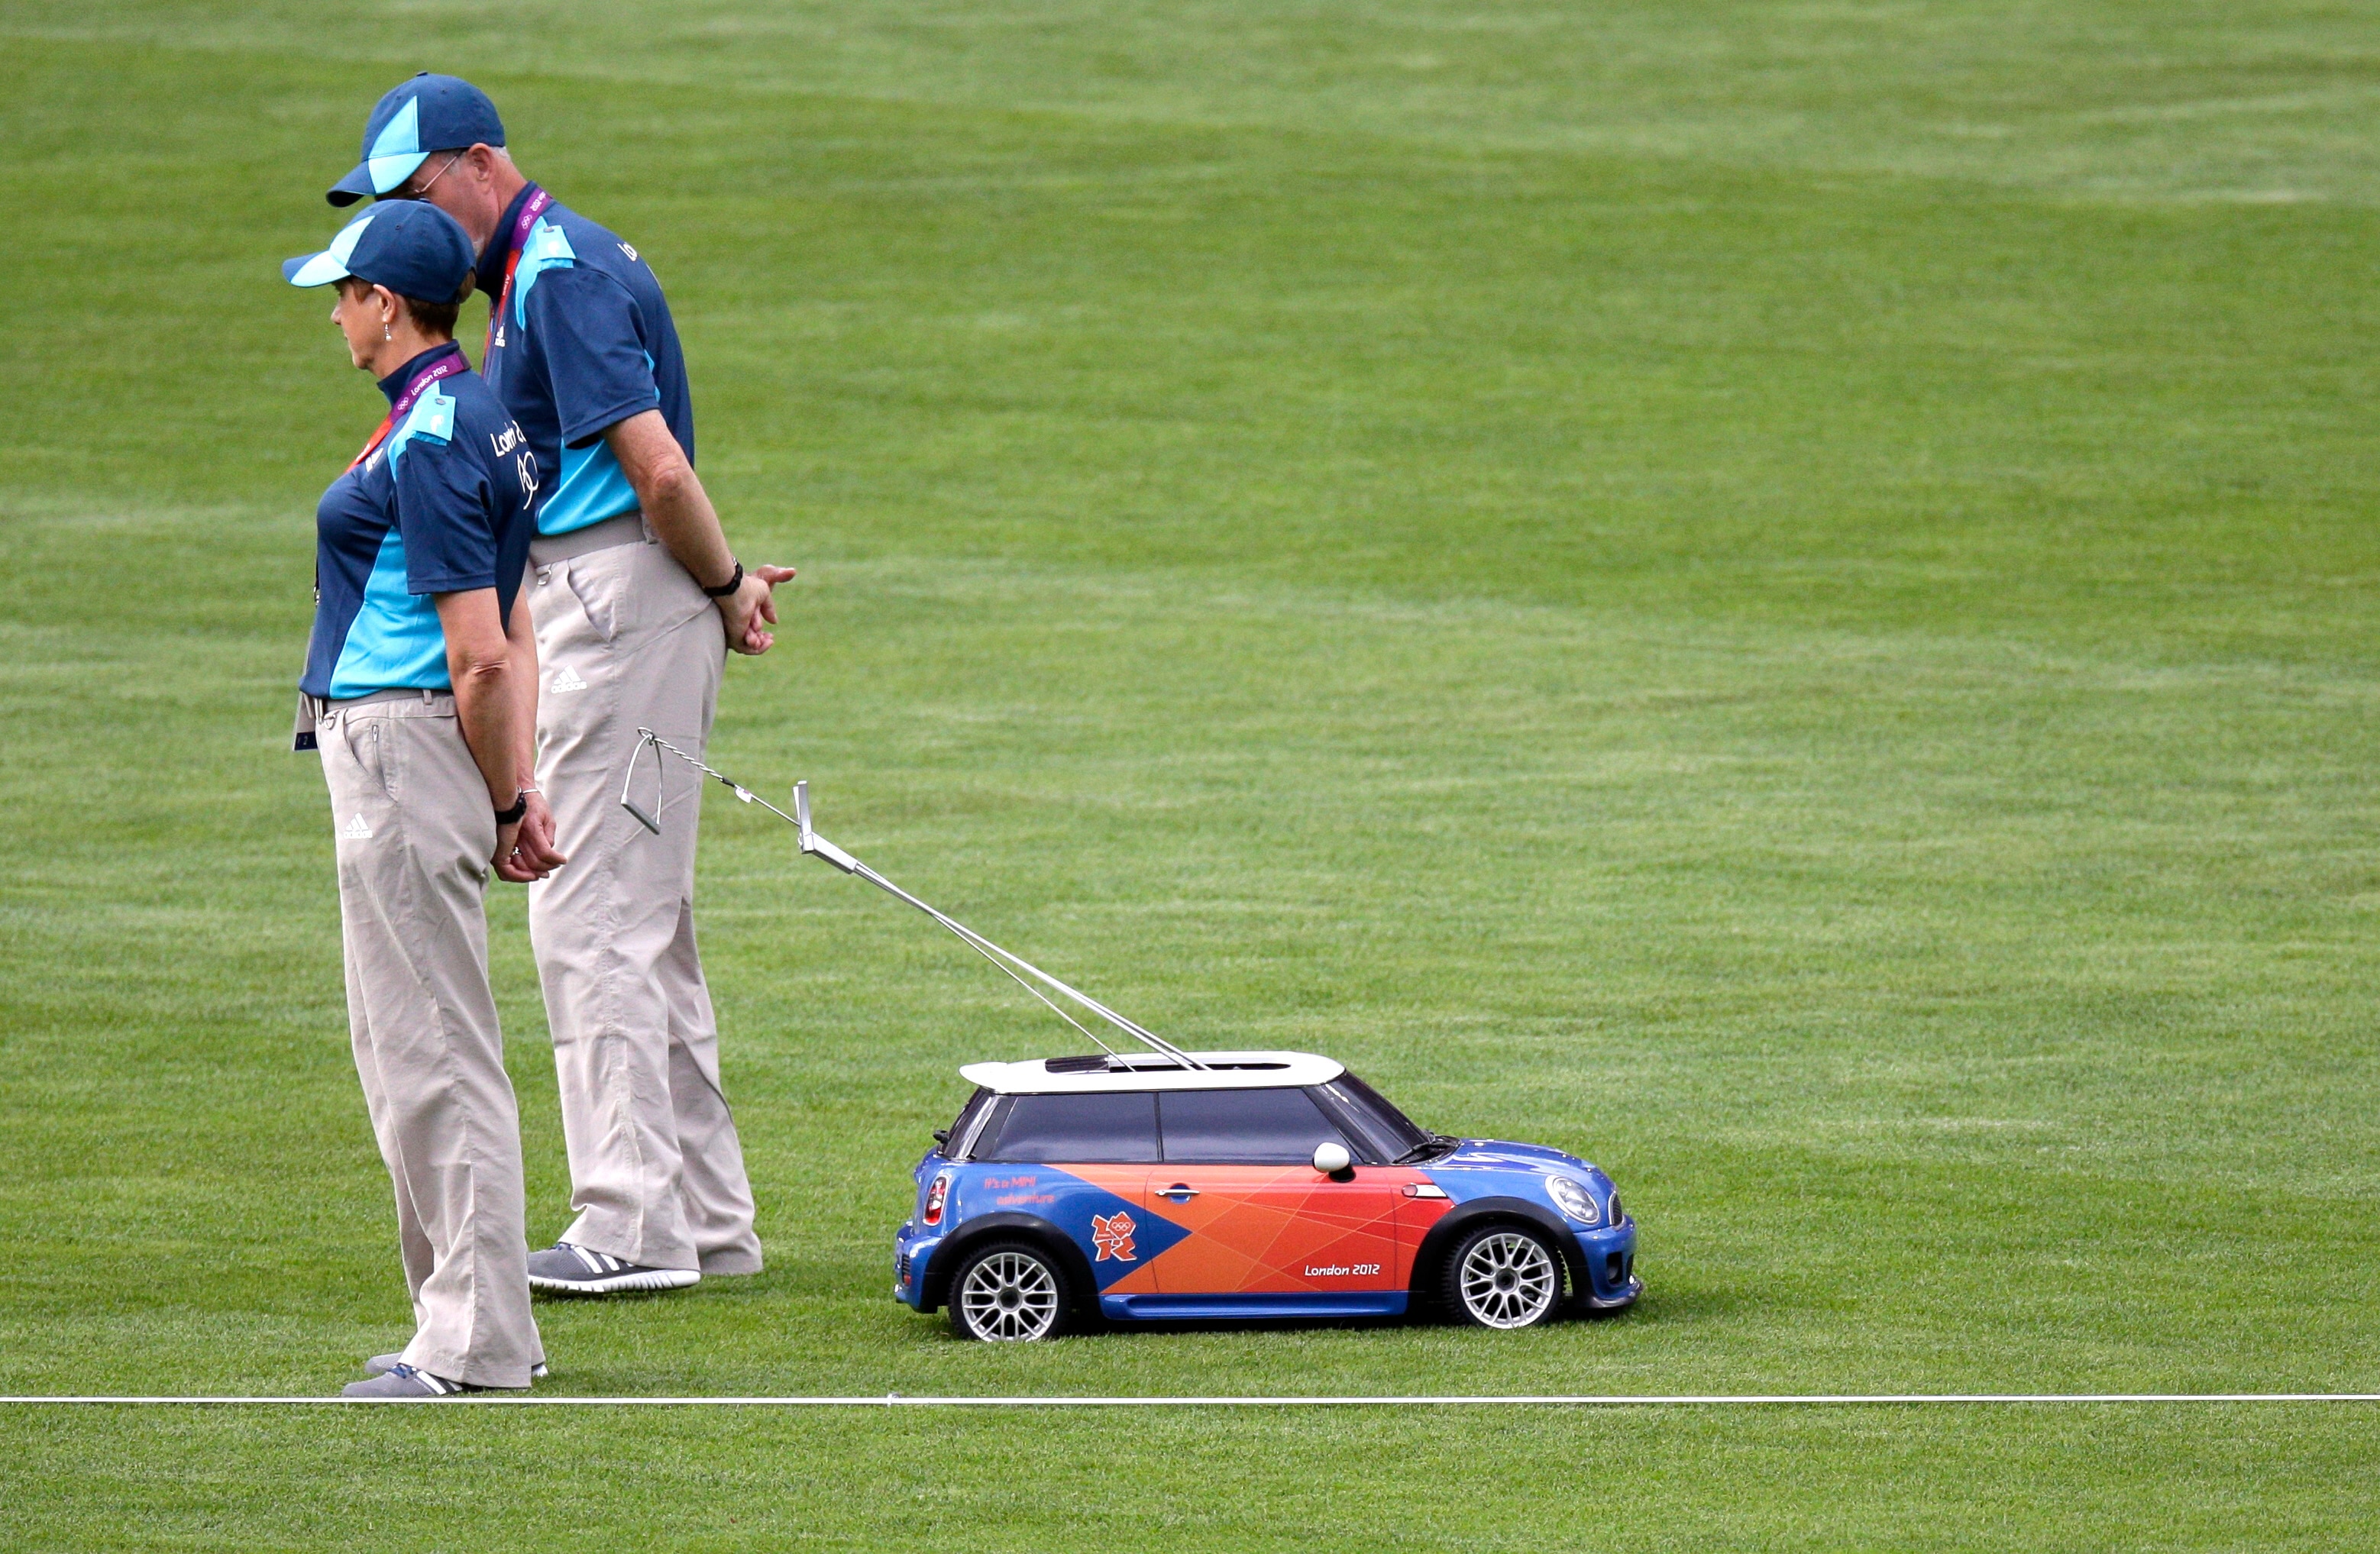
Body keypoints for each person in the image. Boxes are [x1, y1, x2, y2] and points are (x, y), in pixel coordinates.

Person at [328, 75, 791, 1295]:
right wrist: (713, 582)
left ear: (480, 163)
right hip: (620, 595)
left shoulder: (557, 279)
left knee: (591, 915)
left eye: (418, 193)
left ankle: (632, 1226)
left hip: (613, 602)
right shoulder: (543, 267)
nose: (412, 223)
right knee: (647, 919)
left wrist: (729, 579)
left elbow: (661, 470)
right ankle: (705, 1219)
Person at [285, 199, 556, 1395]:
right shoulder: (468, 413)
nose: (336, 315)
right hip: (416, 753)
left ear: (386, 306)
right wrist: (517, 787)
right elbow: (517, 630)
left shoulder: (437, 431)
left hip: (405, 753)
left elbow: (484, 652)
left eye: (343, 295)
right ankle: (463, 1321)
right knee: (413, 1051)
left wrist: (508, 805)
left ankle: (473, 1344)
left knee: (432, 1053)